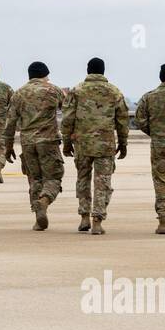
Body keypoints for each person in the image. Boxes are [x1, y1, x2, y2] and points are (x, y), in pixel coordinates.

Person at [61, 58, 129, 235]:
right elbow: (122, 121)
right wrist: (123, 144)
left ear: (88, 70)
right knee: (102, 182)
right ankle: (97, 221)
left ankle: (84, 216)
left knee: (82, 179)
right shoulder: (114, 92)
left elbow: (67, 119)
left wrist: (67, 143)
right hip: (105, 145)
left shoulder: (76, 91)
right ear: (103, 71)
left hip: (82, 144)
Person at [3, 61, 66, 229]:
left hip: (28, 143)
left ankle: (38, 218)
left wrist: (8, 147)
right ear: (44, 75)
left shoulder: (18, 94)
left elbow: (10, 124)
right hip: (48, 141)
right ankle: (44, 201)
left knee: (34, 179)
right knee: (53, 177)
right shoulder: (53, 90)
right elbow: (68, 111)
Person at [134, 63, 165, 235]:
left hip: (159, 145)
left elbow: (140, 120)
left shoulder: (150, 97)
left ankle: (163, 221)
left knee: (162, 183)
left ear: (160, 76)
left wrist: (155, 132)